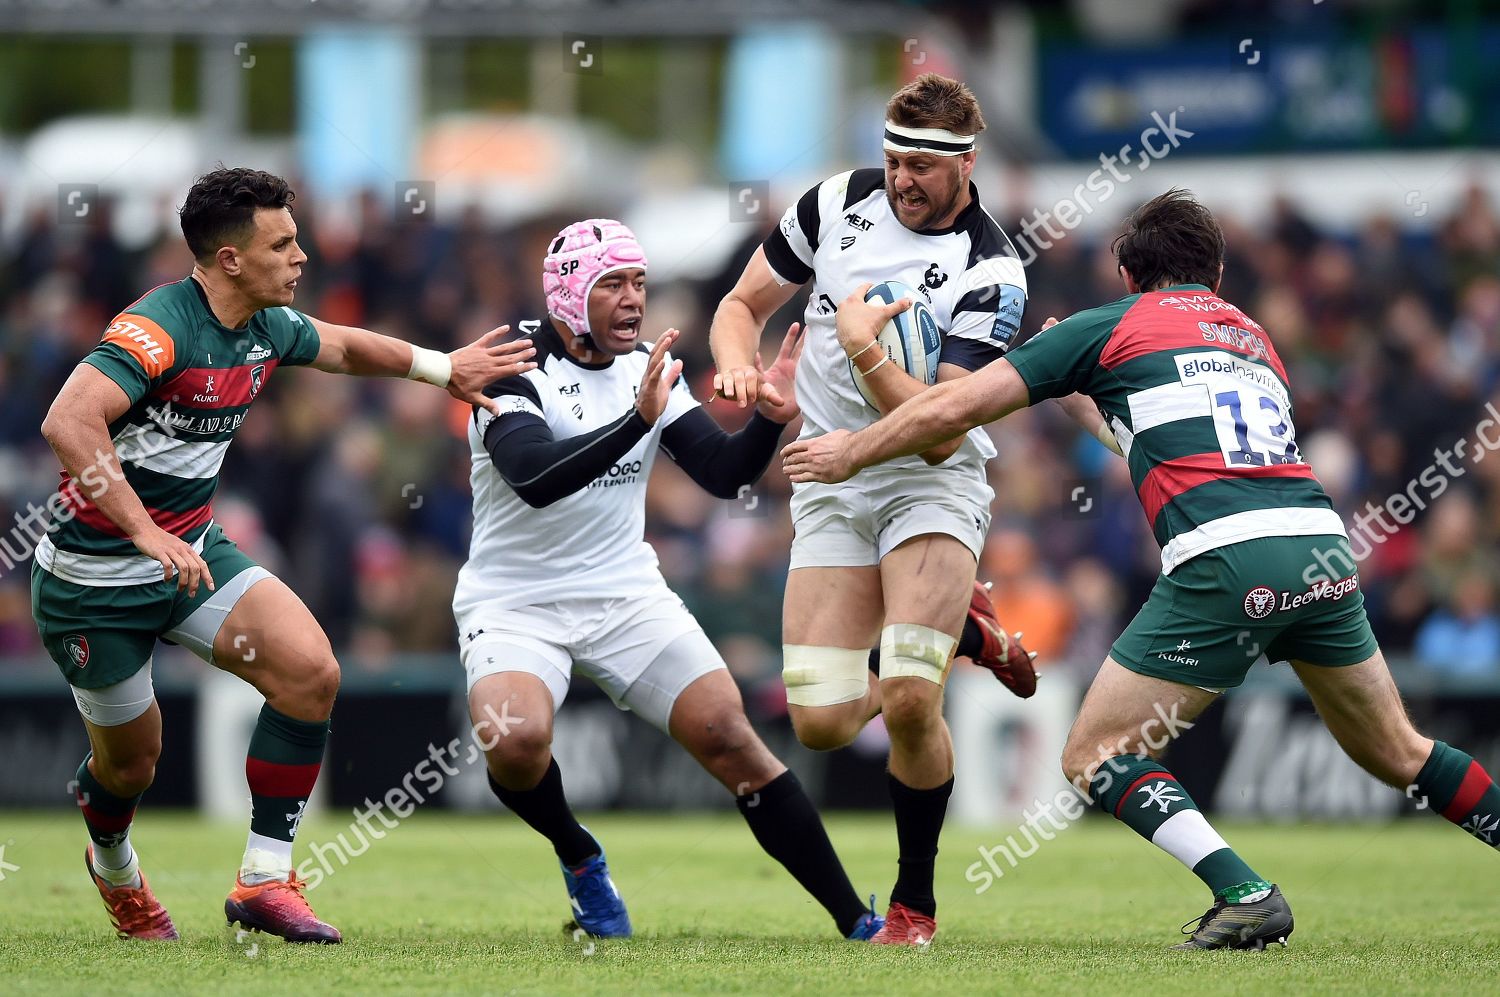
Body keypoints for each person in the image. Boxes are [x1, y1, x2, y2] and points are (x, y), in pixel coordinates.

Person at [783, 188, 1500, 950]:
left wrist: (851, 448)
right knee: (1400, 750)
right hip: (1319, 546)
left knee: (1095, 752)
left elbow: (952, 411)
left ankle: (1246, 893)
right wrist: (1080, 399)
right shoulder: (1253, 337)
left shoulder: (1108, 326)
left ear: (1127, 275)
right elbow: (1163, 443)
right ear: (1215, 274)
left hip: (1227, 557)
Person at [34, 168, 536, 943]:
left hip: (191, 554)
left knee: (310, 672)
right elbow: (68, 421)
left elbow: (343, 347)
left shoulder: (266, 324)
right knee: (132, 765)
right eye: (283, 244)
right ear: (230, 259)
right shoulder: (158, 329)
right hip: (93, 581)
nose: (301, 256)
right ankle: (115, 866)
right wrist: (142, 530)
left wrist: (443, 368)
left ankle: (264, 880)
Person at [453, 218, 885, 942]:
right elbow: (532, 477)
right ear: (568, 295)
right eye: (612, 285)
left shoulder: (646, 366)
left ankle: (856, 920)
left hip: (626, 593)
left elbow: (720, 473)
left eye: (639, 284)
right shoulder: (509, 364)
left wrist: (768, 420)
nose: (633, 299)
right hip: (515, 601)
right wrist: (635, 422)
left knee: (732, 738)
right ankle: (580, 854)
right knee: (517, 742)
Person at [709, 73, 1041, 945]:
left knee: (906, 695)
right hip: (830, 479)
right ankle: (968, 634)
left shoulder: (993, 270)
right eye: (893, 159)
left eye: (921, 167)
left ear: (967, 164)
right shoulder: (832, 205)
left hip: (931, 484)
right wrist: (738, 364)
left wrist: (862, 352)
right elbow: (740, 305)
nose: (901, 180)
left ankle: (913, 903)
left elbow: (940, 432)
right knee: (819, 721)